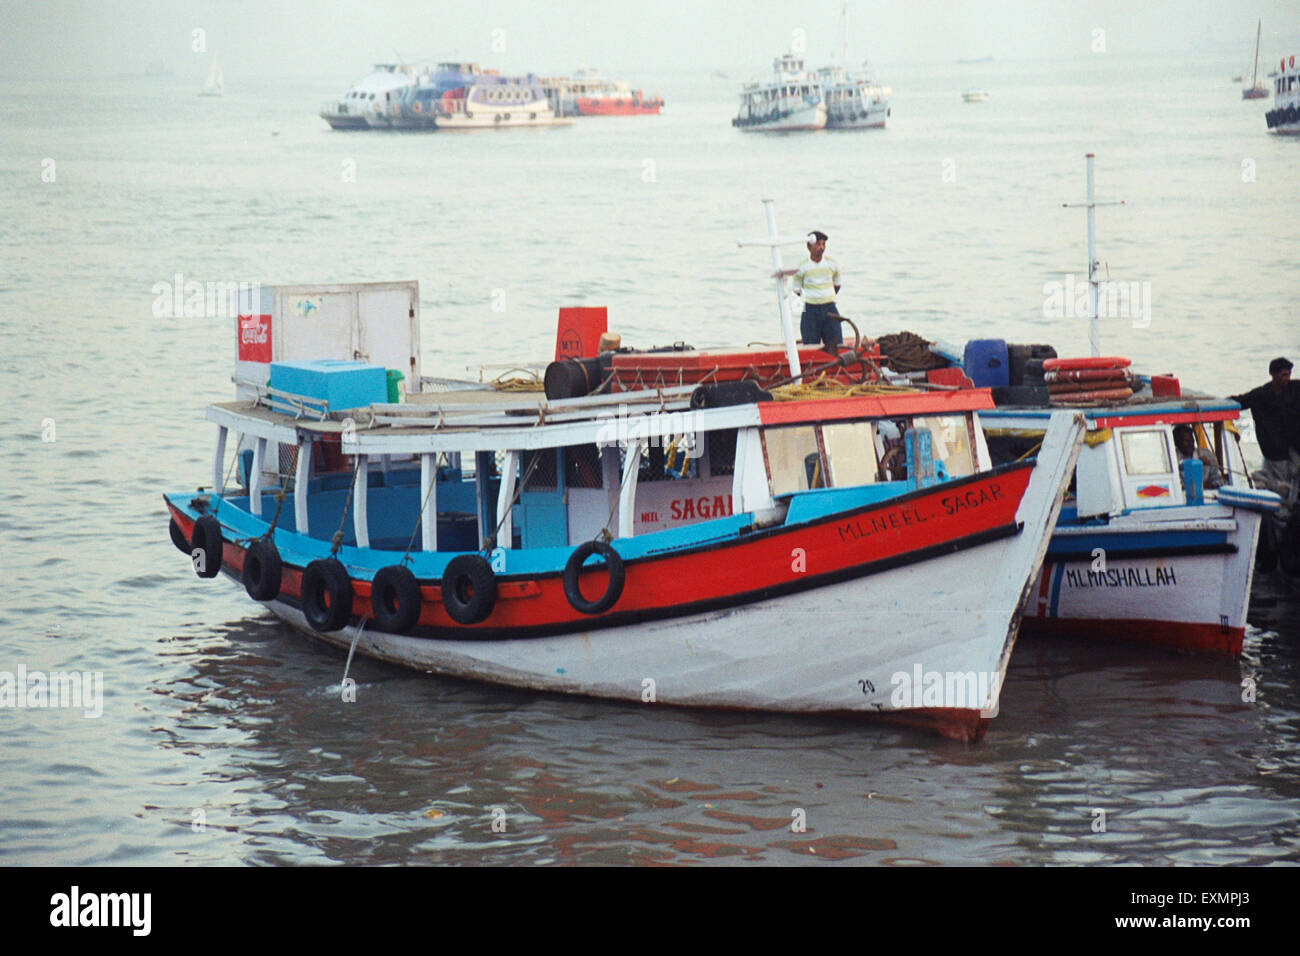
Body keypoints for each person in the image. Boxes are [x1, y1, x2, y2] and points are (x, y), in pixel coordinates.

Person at [1231, 357, 1300, 487]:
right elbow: (1240, 401)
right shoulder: (1261, 395)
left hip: (1295, 445)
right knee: (1281, 484)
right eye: (1284, 375)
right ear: (1273, 374)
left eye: (1289, 374)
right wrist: (1220, 403)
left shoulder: (1296, 389)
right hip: (1274, 449)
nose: (1287, 378)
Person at [790, 230, 842, 351]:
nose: (821, 248)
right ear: (809, 246)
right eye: (818, 244)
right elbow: (796, 289)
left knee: (836, 346)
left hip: (830, 308)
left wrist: (825, 297)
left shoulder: (832, 264)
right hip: (810, 310)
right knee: (810, 347)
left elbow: (837, 285)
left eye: (823, 244)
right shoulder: (801, 266)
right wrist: (810, 300)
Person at [1173, 424, 1224, 490]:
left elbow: (1219, 479)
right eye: (1185, 441)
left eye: (1191, 439)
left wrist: (1212, 484)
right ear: (1176, 443)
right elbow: (1177, 485)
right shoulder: (1173, 459)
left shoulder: (1207, 454)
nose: (1191, 443)